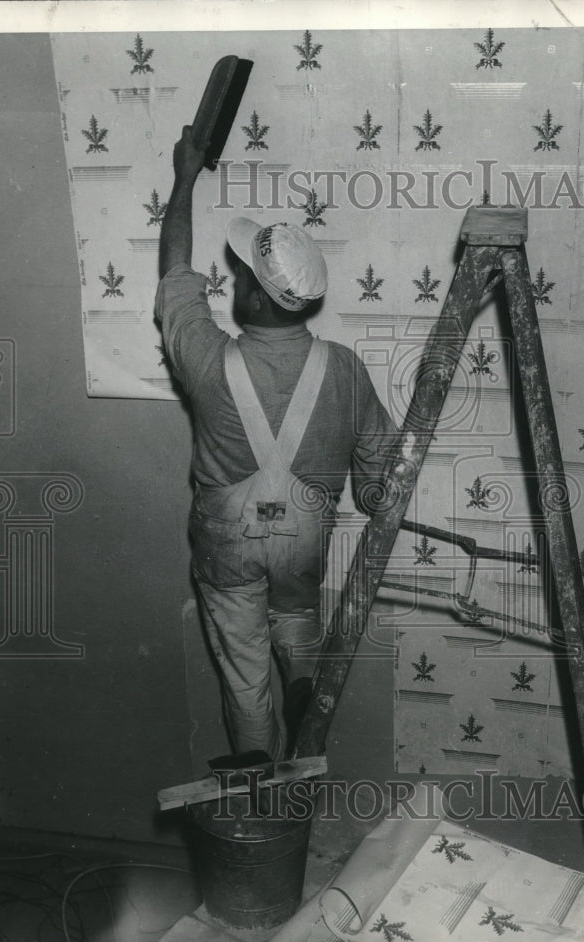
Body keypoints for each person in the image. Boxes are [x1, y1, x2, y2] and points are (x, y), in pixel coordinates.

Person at [155, 126, 396, 761]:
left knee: (243, 672)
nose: (230, 283)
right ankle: (302, 684)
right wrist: (366, 487)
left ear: (259, 296)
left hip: (228, 540)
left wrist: (185, 178)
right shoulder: (344, 369)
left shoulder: (208, 361)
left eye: (240, 278)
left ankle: (259, 774)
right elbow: (379, 476)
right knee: (296, 619)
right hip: (306, 534)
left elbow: (175, 275)